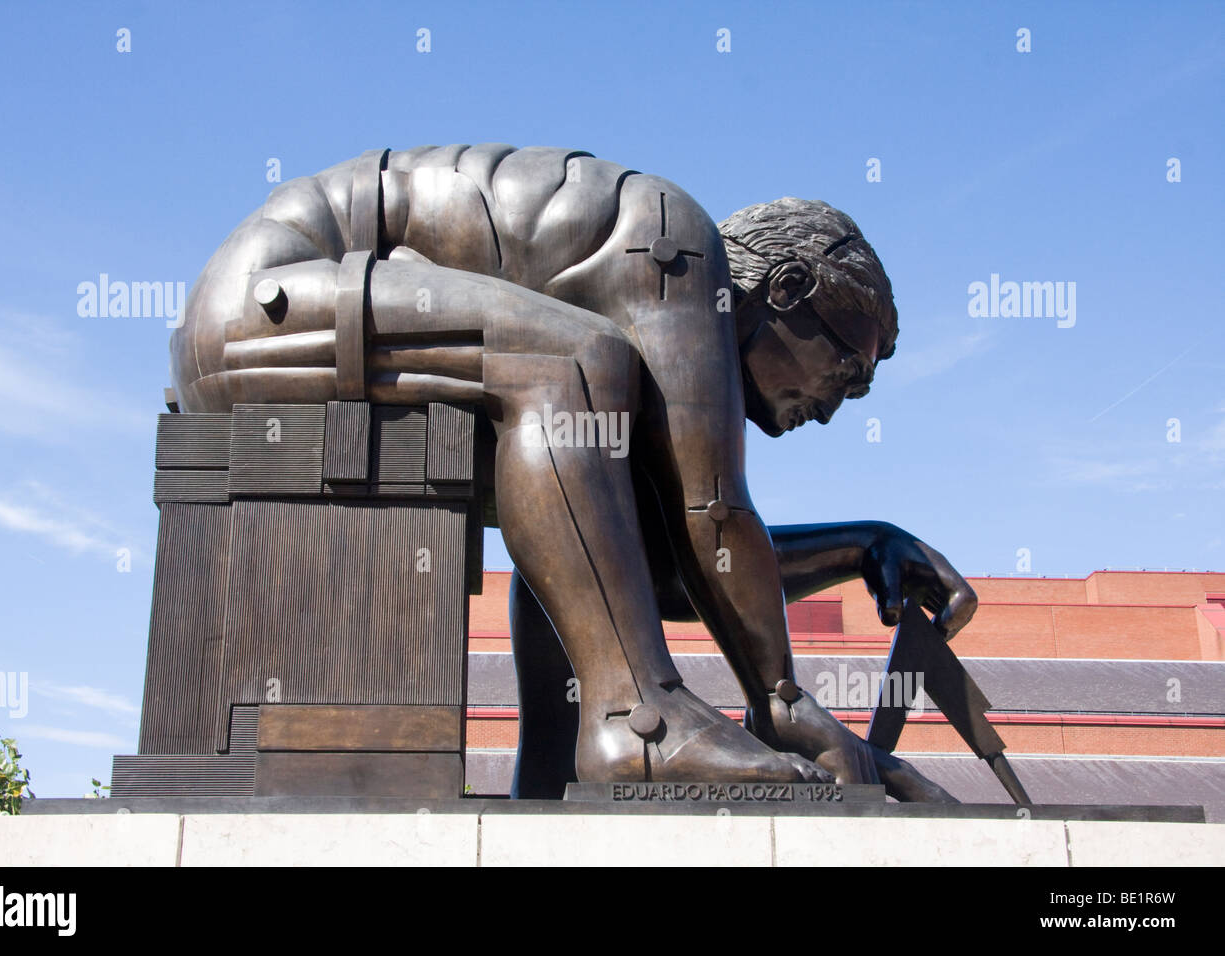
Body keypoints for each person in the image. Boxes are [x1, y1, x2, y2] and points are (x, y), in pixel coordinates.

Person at [171, 144, 975, 799]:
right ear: (788, 289)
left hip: (288, 315)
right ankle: (636, 723)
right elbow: (716, 514)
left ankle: (554, 776)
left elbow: (658, 571)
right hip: (263, 301)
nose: (831, 408)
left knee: (584, 500)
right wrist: (785, 702)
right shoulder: (681, 251)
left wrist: (861, 545)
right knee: (572, 366)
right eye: (843, 371)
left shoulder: (662, 313)